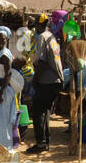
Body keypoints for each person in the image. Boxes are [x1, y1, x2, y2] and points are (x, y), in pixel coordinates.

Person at [26, 10, 66, 153]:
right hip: (56, 80)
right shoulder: (52, 37)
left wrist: (34, 81)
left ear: (38, 25)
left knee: (38, 112)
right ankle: (45, 142)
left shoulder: (42, 37)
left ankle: (41, 143)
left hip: (47, 81)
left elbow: (42, 63)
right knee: (45, 112)